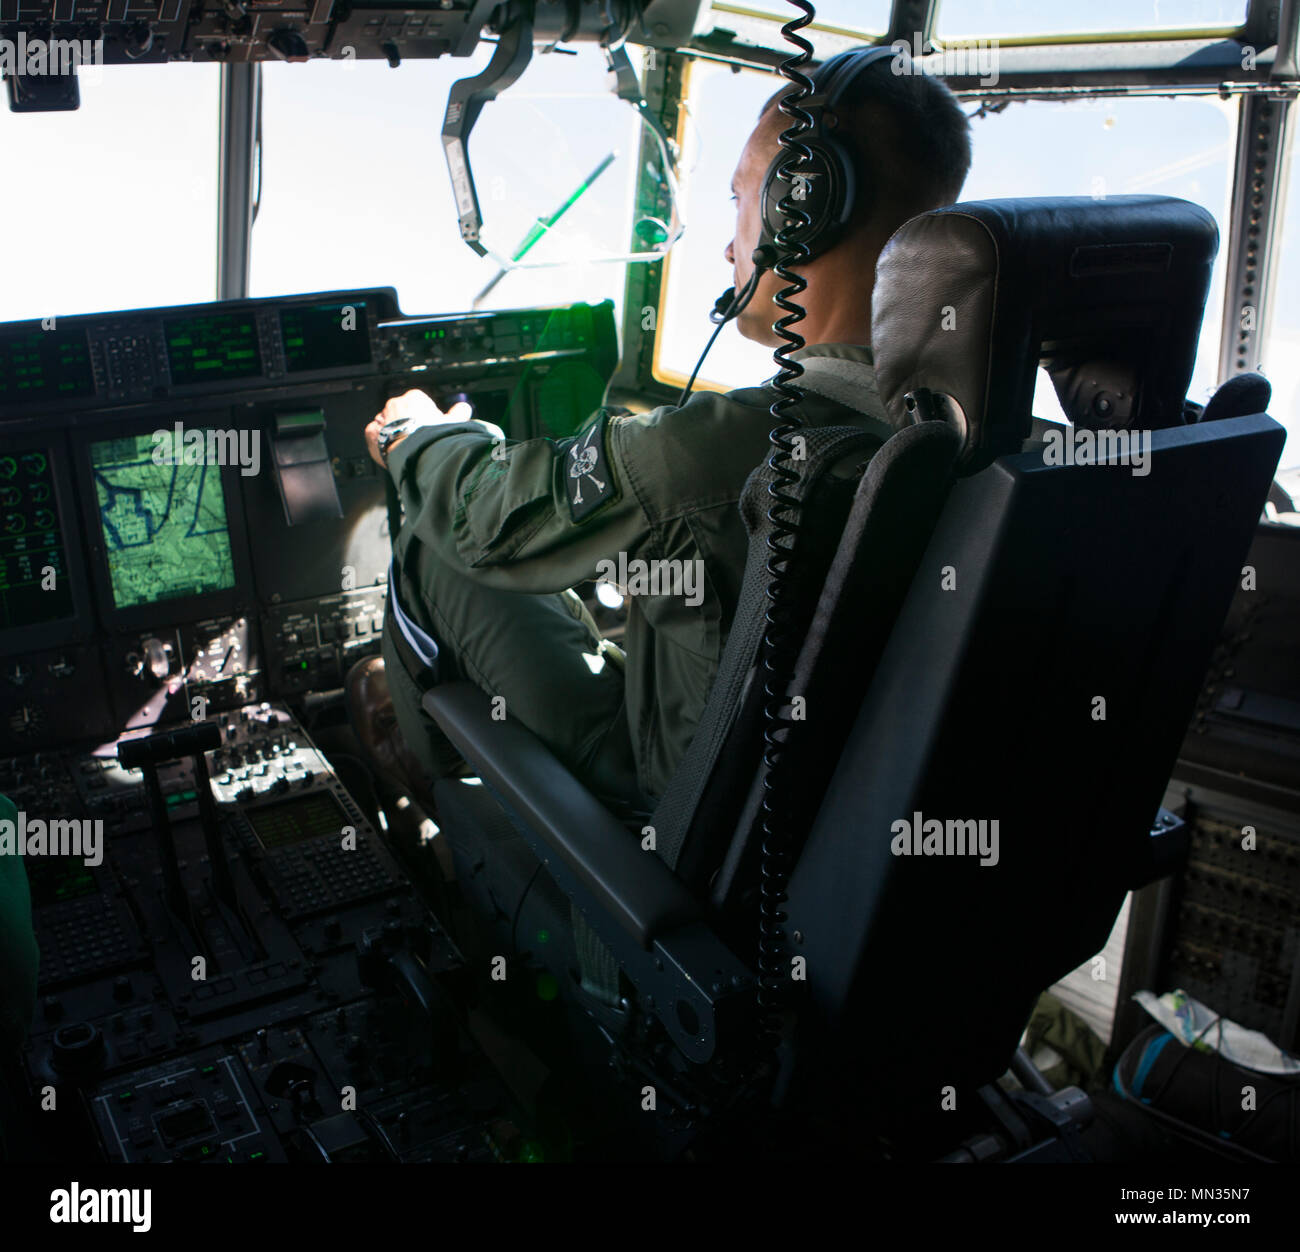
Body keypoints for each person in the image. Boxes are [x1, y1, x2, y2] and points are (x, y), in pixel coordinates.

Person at [354, 48, 972, 817]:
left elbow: (484, 518)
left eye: (742, 199)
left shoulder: (733, 448)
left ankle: (438, 833)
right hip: (812, 843)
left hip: (667, 835)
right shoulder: (965, 438)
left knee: (429, 546)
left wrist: (419, 437)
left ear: (799, 210)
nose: (728, 245)